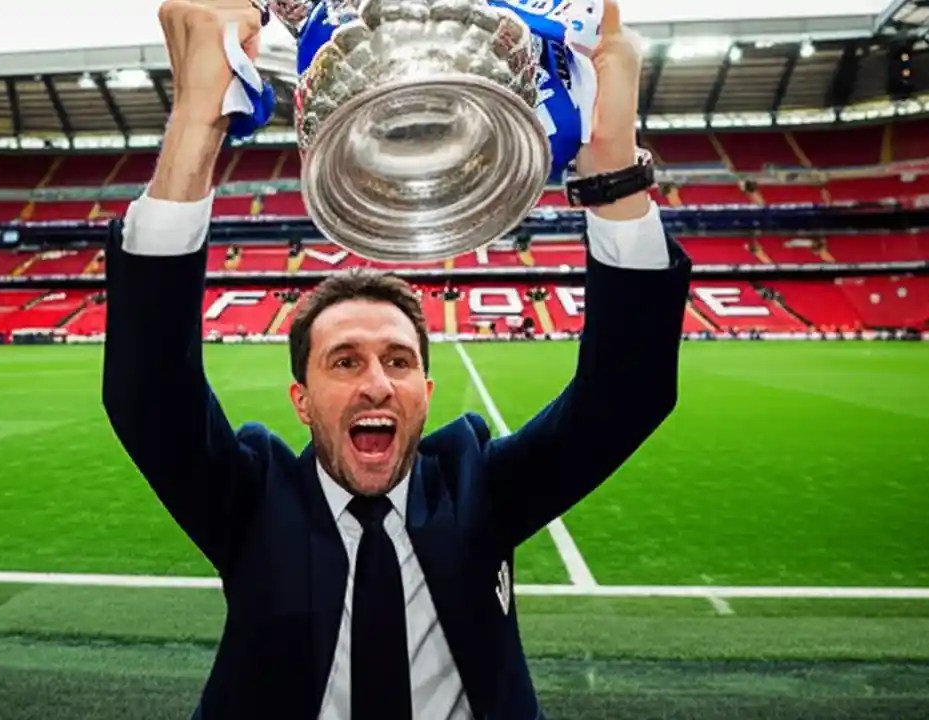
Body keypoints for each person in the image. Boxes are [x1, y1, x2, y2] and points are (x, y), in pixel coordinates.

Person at [103, 1, 692, 718]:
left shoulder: (482, 492)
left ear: (427, 390)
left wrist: (615, 170)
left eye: (398, 361)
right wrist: (197, 120)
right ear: (302, 398)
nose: (376, 383)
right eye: (344, 362)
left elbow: (626, 393)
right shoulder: (252, 504)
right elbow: (150, 395)